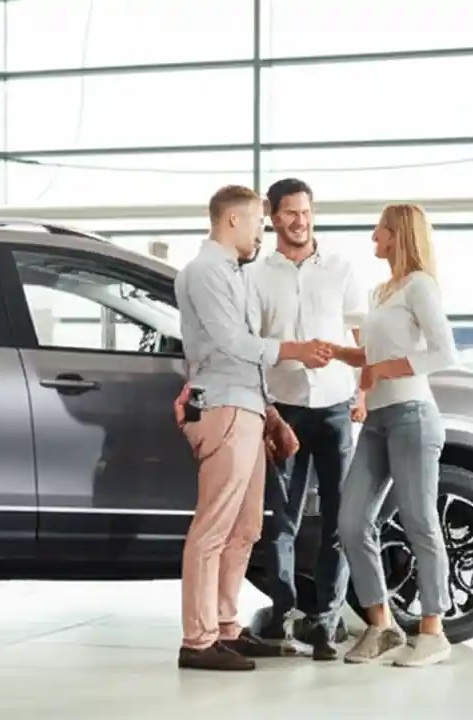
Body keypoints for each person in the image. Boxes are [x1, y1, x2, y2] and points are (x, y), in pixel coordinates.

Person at [172, 184, 333, 672]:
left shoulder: (231, 274)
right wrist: (294, 350)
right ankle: (197, 641)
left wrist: (272, 415)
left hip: (246, 407)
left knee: (244, 528)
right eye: (259, 223)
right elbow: (231, 341)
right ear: (233, 221)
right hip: (222, 407)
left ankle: (224, 627)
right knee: (214, 525)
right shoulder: (204, 271)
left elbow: (243, 354)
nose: (263, 232)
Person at [325, 203, 460, 668]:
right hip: (379, 420)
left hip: (413, 417)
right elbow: (372, 357)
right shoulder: (382, 292)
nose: (372, 237)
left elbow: (445, 353)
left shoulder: (420, 287)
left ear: (398, 234)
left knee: (421, 522)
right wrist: (341, 355)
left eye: (379, 229)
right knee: (351, 521)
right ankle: (381, 626)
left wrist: (384, 367)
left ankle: (433, 629)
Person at [248, 178, 367, 661]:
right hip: (285, 409)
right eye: (290, 213)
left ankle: (326, 620)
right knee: (281, 520)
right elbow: (251, 346)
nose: (301, 221)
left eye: (306, 212)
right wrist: (266, 409)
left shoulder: (340, 268)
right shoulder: (256, 275)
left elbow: (364, 333)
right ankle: (282, 614)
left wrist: (364, 392)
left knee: (340, 517)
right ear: (273, 217)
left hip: (337, 406)